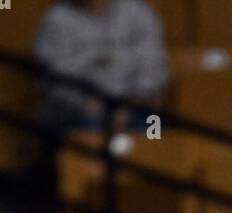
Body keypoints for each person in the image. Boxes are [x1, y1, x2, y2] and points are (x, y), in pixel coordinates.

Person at [34, 0, 169, 134]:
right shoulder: (57, 19)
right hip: (80, 107)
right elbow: (55, 77)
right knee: (90, 122)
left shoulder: (138, 11)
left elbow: (154, 65)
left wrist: (132, 103)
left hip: (134, 102)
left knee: (155, 125)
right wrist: (86, 103)